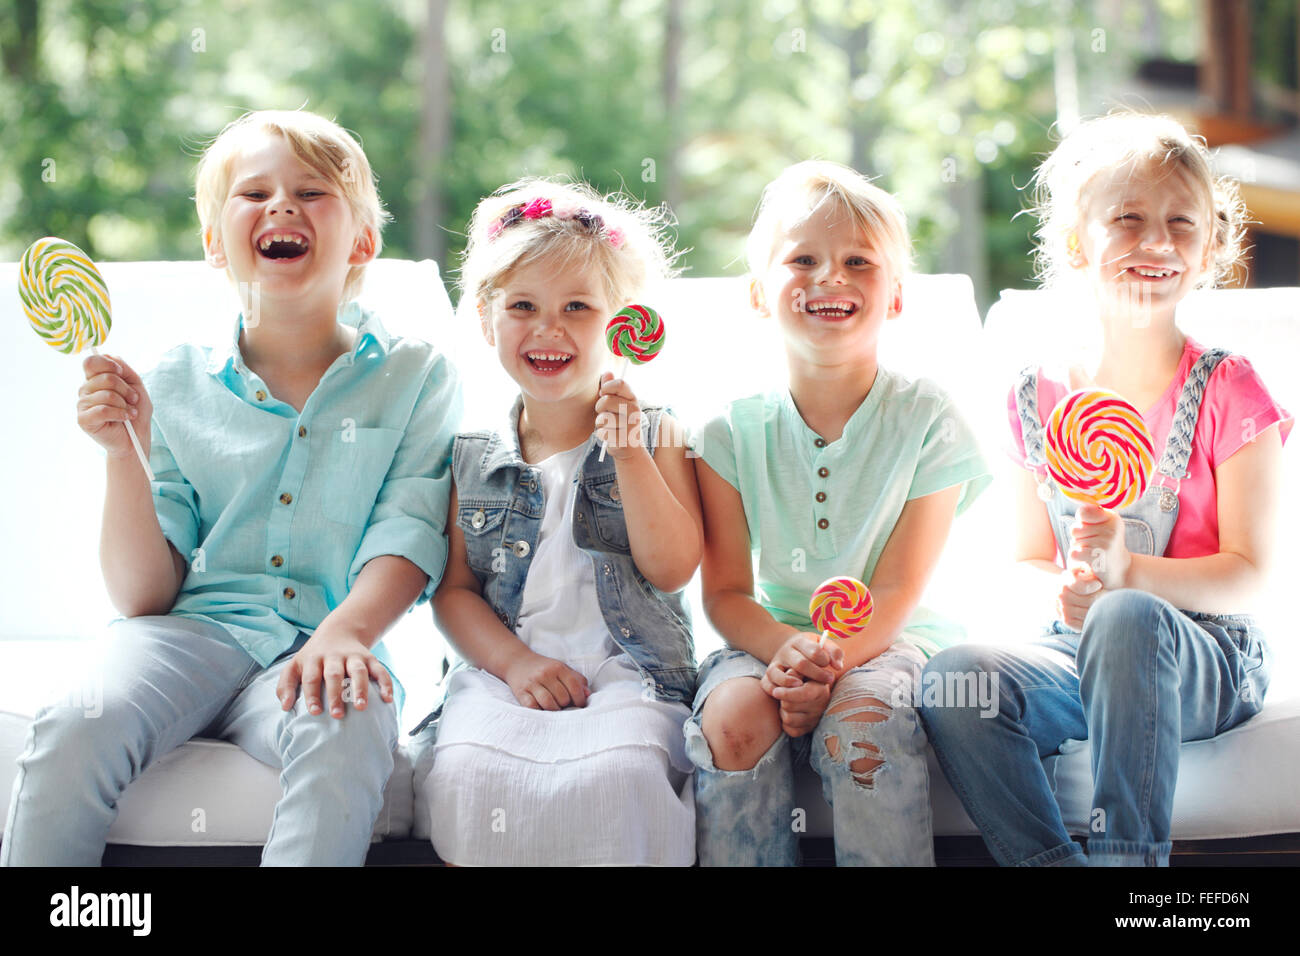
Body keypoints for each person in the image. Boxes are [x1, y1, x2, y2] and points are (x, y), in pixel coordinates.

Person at [1, 109, 461, 866]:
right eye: (254, 194)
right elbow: (144, 596)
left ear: (363, 241)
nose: (282, 206)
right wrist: (124, 454)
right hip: (187, 634)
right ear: (216, 244)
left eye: (312, 192)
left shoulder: (415, 375)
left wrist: (346, 632)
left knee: (353, 714)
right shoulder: (172, 380)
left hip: (326, 636)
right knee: (81, 718)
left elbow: (409, 528)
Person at [919, 112, 1291, 867]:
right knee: (954, 680)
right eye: (1128, 219)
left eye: (1181, 222)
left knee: (1127, 619)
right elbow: (1027, 558)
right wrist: (1070, 589)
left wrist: (1130, 577)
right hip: (1076, 646)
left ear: (1210, 247)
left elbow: (1250, 571)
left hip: (1206, 657)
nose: (1156, 242)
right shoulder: (1038, 395)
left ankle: (1132, 870)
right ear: (1075, 245)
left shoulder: (1228, 388)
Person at [686, 160, 991, 866]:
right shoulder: (728, 433)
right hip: (770, 636)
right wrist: (786, 654)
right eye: (803, 260)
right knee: (732, 717)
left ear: (896, 297)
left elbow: (896, 590)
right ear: (760, 294)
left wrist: (828, 670)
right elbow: (726, 594)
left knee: (864, 722)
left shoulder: (929, 418)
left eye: (859, 261)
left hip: (892, 640)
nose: (831, 277)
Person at [413, 181, 700, 865]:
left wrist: (629, 455)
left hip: (632, 671)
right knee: (468, 773)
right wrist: (514, 663)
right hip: (509, 670)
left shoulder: (656, 433)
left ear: (622, 321)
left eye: (577, 306)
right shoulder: (472, 456)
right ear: (487, 322)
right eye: (523, 307)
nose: (550, 328)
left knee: (623, 773)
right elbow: (452, 591)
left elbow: (673, 568)